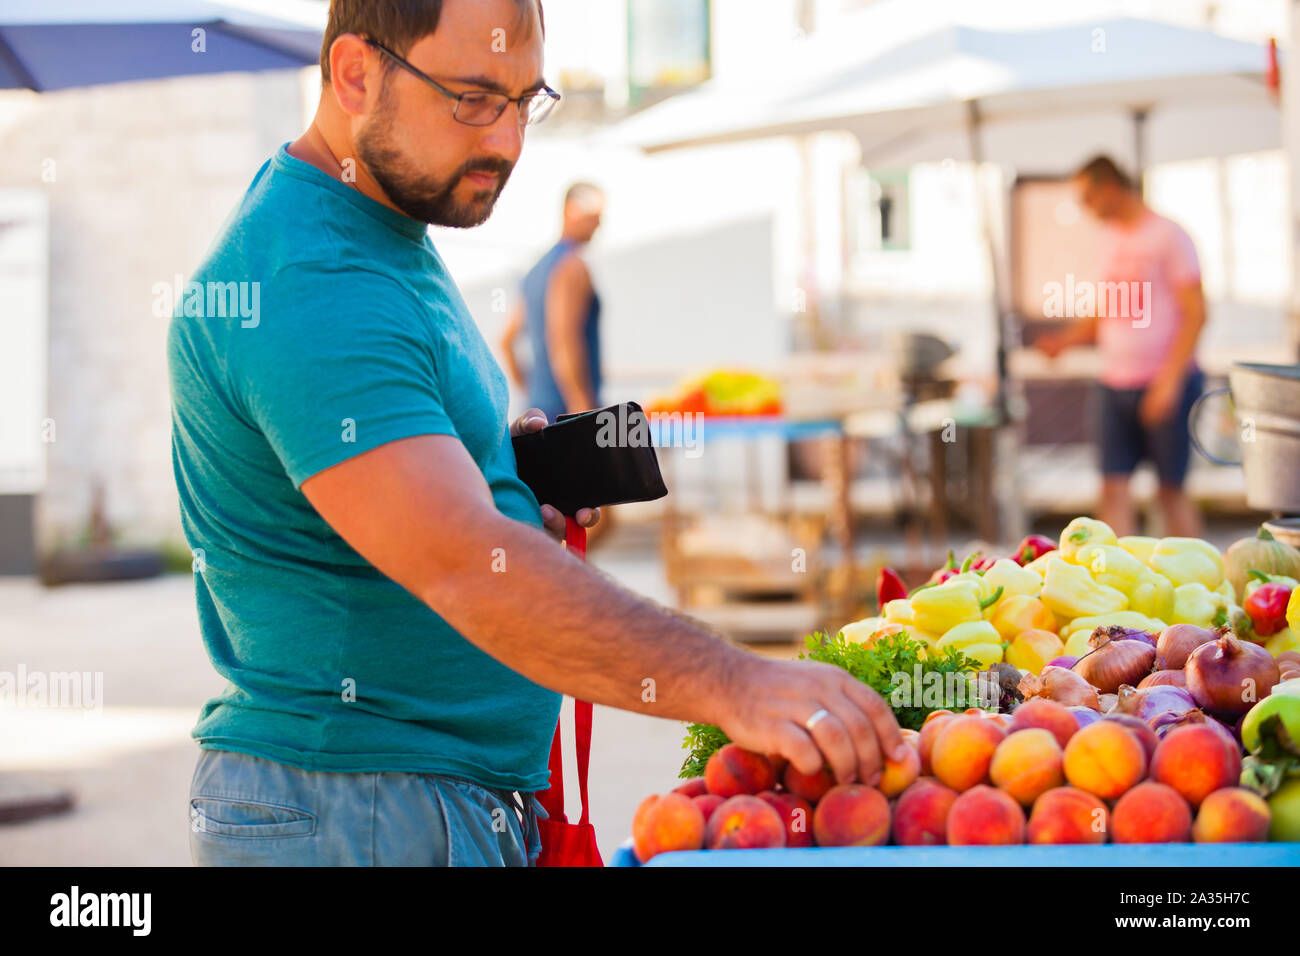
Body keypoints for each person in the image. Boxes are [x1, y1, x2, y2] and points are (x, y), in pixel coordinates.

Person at [168, 0, 903, 867]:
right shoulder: (314, 277)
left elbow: (418, 516)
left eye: (526, 101)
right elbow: (462, 562)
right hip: (359, 806)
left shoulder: (376, 226)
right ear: (356, 74)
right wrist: (736, 682)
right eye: (474, 98)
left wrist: (503, 483)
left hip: (396, 798)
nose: (509, 142)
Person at [1036, 155, 1207, 538]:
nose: (1084, 208)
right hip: (1114, 384)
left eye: (1087, 197)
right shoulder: (1108, 239)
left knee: (1171, 492)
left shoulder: (1168, 235)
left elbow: (1195, 314)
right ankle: (1114, 586)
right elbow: (1110, 309)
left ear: (1109, 186)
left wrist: (1168, 382)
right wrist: (1065, 341)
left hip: (1167, 383)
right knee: (1113, 488)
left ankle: (1203, 586)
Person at [501, 182, 605, 425]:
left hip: (538, 413)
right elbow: (563, 340)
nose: (599, 225)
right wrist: (583, 412)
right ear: (573, 210)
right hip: (568, 413)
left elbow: (506, 340)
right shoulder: (572, 265)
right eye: (596, 217)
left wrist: (533, 391)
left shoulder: (537, 270)